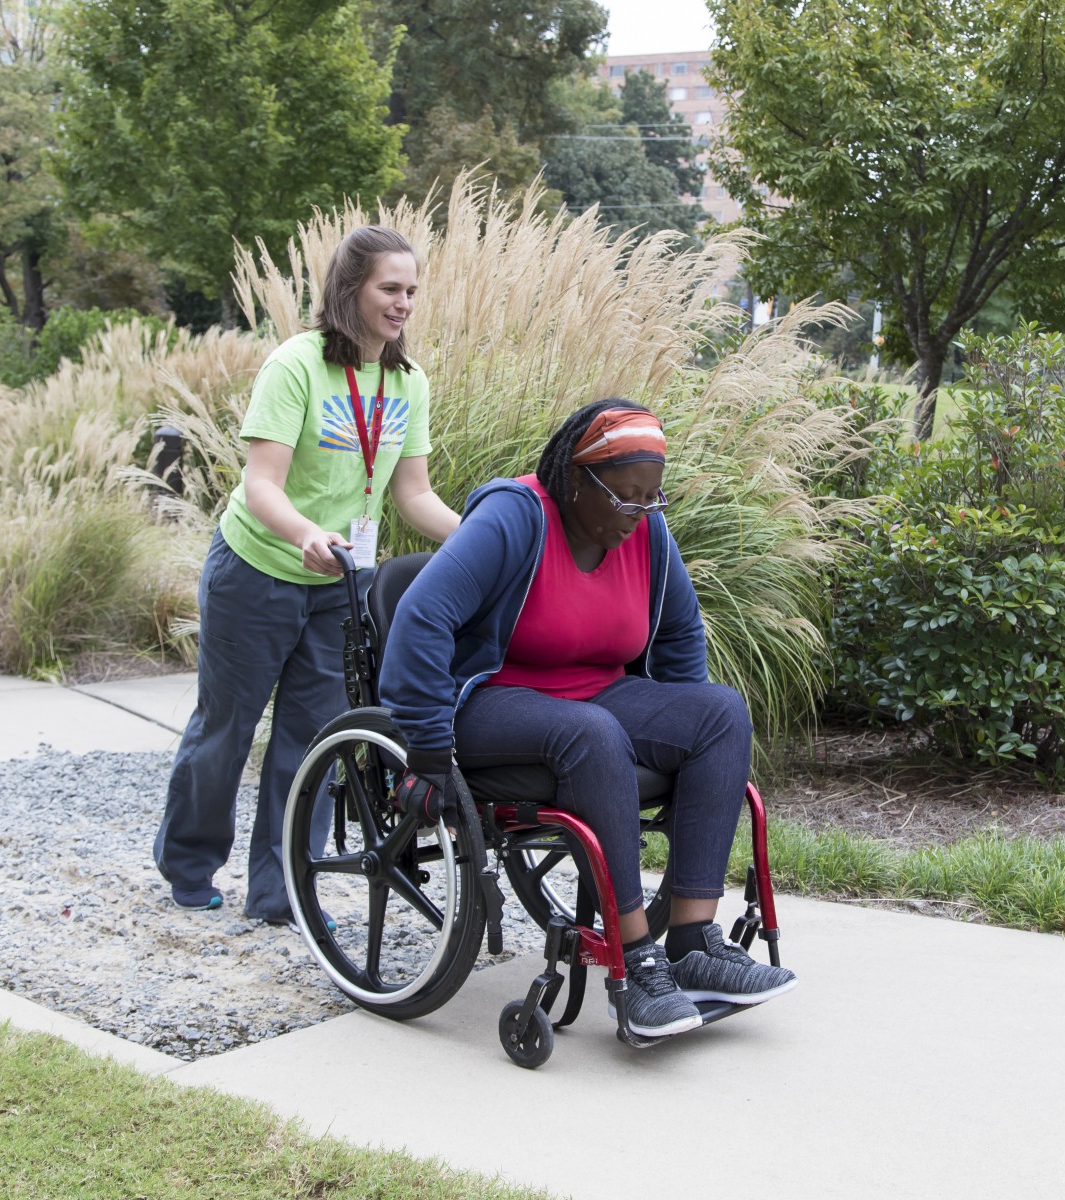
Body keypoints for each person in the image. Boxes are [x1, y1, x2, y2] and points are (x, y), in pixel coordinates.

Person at [379, 400, 798, 1039]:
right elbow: (420, 618)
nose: (639, 514)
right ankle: (634, 964)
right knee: (591, 733)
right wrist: (429, 746)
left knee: (719, 713)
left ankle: (691, 944)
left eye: (652, 499)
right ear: (577, 480)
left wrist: (682, 739)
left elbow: (683, 631)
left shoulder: (646, 531)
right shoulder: (514, 517)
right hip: (490, 697)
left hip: (596, 694)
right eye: (626, 498)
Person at [156, 226, 461, 923]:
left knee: (313, 745)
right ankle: (189, 862)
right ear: (350, 288)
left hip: (342, 587)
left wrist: (483, 535)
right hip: (257, 570)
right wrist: (304, 533)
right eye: (390, 288)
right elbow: (262, 484)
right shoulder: (296, 365)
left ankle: (282, 888)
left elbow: (412, 493)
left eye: (412, 290)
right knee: (225, 728)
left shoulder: (406, 381)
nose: (404, 302)